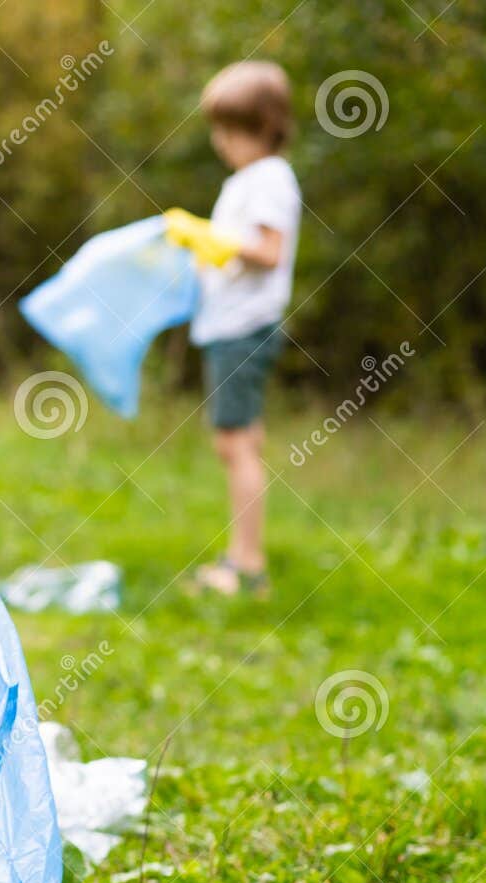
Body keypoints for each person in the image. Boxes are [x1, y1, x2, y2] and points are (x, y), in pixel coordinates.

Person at [166, 60, 301, 598]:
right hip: (232, 326)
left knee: (234, 446)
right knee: (243, 441)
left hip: (242, 330)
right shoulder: (249, 179)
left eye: (231, 130)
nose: (221, 141)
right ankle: (244, 554)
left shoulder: (268, 178)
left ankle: (247, 567)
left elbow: (269, 250)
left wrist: (211, 238)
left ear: (265, 127)